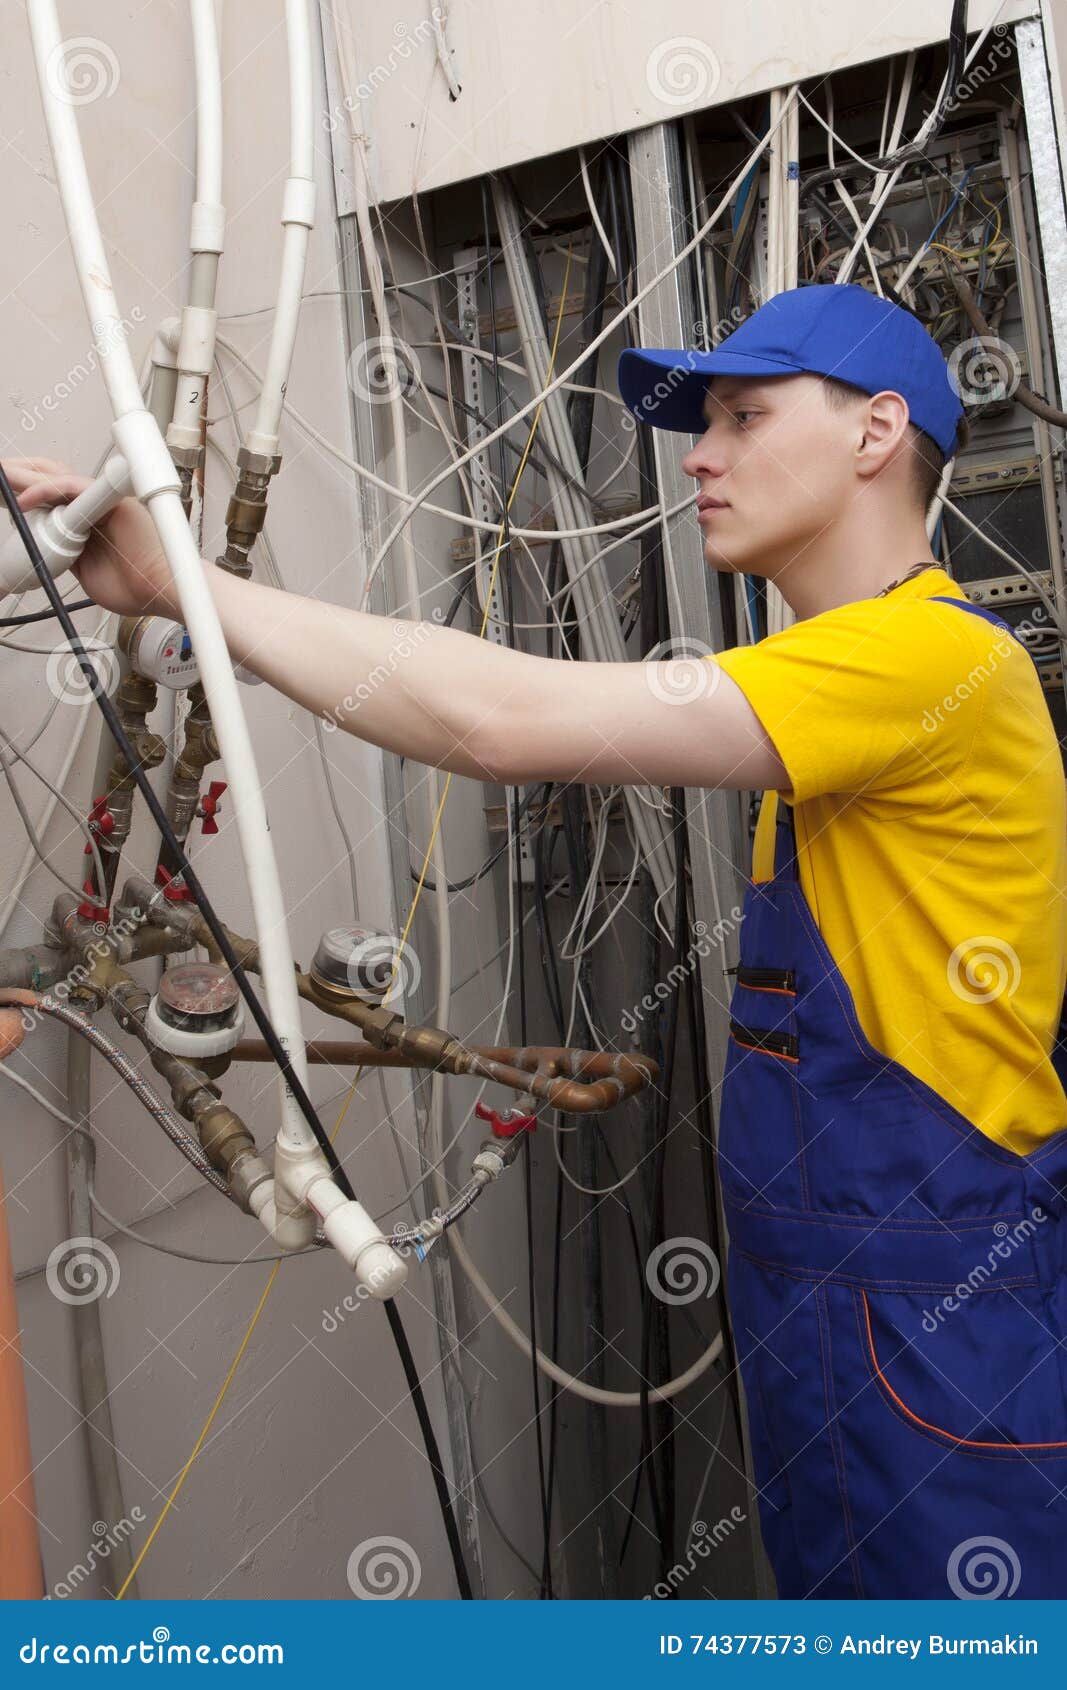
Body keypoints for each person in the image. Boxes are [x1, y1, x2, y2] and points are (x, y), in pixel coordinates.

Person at [6, 281, 1067, 1600]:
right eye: (704, 423)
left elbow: (501, 726)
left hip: (931, 1321)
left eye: (744, 415)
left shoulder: (921, 663)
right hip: (833, 1312)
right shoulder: (843, 673)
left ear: (876, 432)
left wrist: (185, 582)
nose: (701, 454)